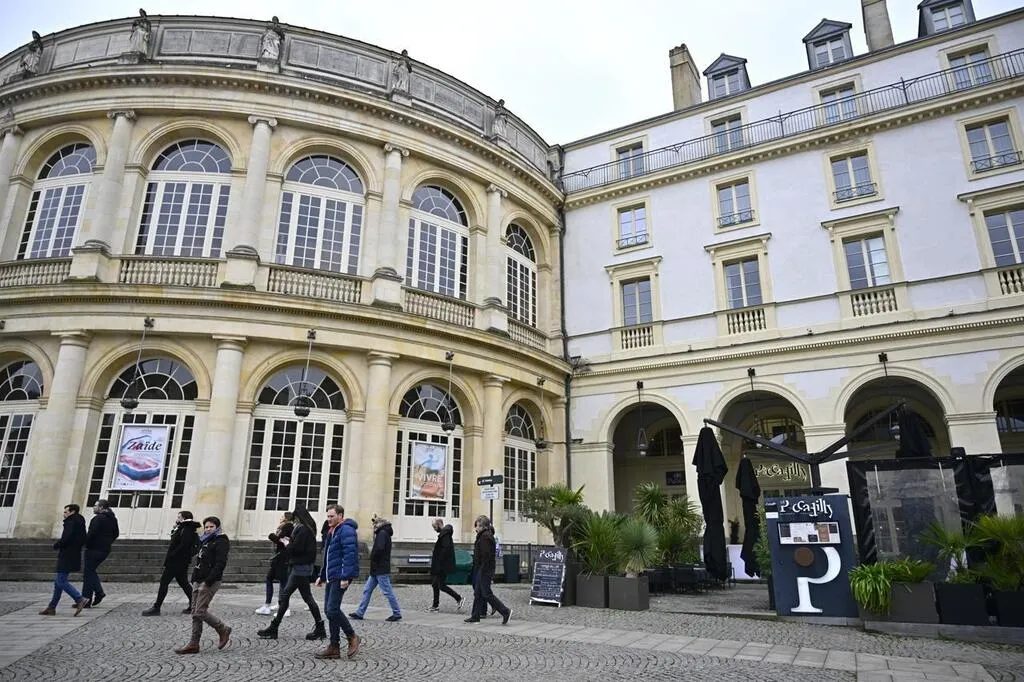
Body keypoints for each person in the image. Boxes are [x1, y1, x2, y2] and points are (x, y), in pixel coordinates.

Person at [257, 506, 326, 641]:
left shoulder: (303, 529)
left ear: (298, 518)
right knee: (305, 598)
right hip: (301, 567)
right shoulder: (308, 529)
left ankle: (274, 627)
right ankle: (319, 627)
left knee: (286, 596)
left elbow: (297, 548)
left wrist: (288, 543)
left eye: (295, 520)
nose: (293, 523)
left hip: (300, 568)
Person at [175, 516, 231, 654]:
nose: (208, 529)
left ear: (217, 527)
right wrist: (194, 578)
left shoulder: (221, 541)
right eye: (206, 527)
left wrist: (209, 580)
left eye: (211, 526)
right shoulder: (204, 540)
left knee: (200, 611)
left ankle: (222, 628)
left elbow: (220, 563)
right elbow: (199, 560)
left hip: (210, 581)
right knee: (195, 613)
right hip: (198, 579)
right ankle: (194, 644)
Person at [314, 504, 360, 660]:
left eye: (332, 516)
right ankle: (334, 647)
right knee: (329, 611)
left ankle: (352, 636)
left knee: (333, 609)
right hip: (331, 575)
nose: (329, 519)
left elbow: (350, 554)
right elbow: (328, 555)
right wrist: (321, 575)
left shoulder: (347, 530)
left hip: (341, 575)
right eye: (327, 516)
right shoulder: (332, 531)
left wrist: (345, 576)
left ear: (340, 516)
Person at [142, 511, 200, 616]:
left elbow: (183, 545)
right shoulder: (184, 527)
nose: (177, 519)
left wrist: (172, 556)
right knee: (183, 582)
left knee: (164, 582)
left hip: (176, 561)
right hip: (180, 561)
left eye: (179, 517)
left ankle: (156, 607)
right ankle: (194, 604)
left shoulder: (186, 528)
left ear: (184, 518)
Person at [349, 515, 401, 622]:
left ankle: (396, 612)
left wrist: (373, 557)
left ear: (379, 524)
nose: (373, 526)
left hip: (380, 568)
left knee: (387, 592)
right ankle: (360, 612)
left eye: (374, 524)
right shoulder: (384, 533)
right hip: (377, 568)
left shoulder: (382, 533)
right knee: (367, 590)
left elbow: (379, 549)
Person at [39, 504, 88, 616]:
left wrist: (57, 545)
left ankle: (79, 599)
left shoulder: (71, 522)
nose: (64, 514)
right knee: (58, 582)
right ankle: (52, 607)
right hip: (74, 553)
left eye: (66, 512)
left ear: (72, 512)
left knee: (61, 580)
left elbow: (66, 537)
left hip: (67, 554)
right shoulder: (80, 521)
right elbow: (83, 538)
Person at [465, 515, 511, 625]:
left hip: (485, 569)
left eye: (477, 526)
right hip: (484, 568)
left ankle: (505, 611)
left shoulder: (485, 537)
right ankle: (475, 616)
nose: (475, 528)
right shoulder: (484, 535)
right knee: (478, 593)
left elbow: (486, 555)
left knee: (486, 593)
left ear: (482, 526)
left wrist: (482, 568)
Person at [81, 499, 119, 607]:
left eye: (95, 505)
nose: (93, 507)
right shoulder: (112, 519)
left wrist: (84, 544)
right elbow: (116, 533)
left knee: (88, 573)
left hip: (94, 549)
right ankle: (89, 598)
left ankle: (92, 596)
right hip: (105, 549)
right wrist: (107, 542)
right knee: (90, 572)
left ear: (101, 507)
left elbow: (91, 534)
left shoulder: (97, 519)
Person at [256, 512, 295, 616]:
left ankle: (284, 607)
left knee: (282, 581)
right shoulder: (284, 527)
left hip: (282, 558)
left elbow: (282, 541)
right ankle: (272, 604)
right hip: (279, 558)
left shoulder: (288, 527)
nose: (280, 518)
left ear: (286, 518)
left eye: (282, 516)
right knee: (271, 578)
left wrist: (272, 536)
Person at [428, 517, 464, 612]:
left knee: (439, 585)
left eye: (435, 527)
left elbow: (445, 550)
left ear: (439, 525)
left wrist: (438, 562)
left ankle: (458, 598)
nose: (434, 529)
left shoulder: (445, 535)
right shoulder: (444, 534)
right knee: (436, 584)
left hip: (442, 565)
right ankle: (436, 605)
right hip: (441, 565)